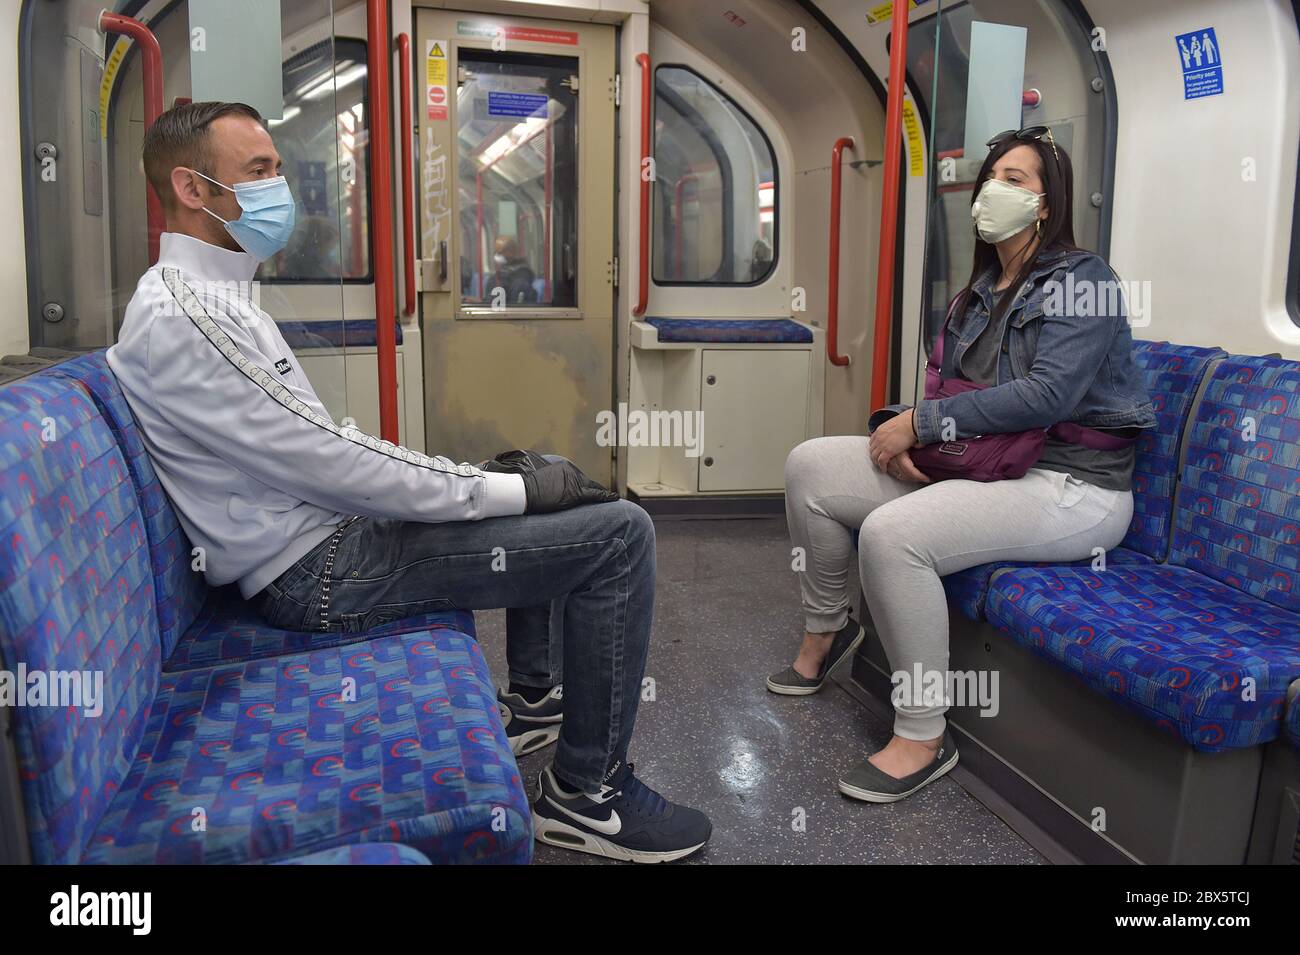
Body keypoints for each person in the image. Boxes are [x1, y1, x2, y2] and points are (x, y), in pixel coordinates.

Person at [107, 101, 711, 863]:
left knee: (511, 469)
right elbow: (329, 459)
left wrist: (495, 482)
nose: (278, 188)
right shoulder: (186, 315)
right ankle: (587, 795)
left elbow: (317, 452)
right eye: (257, 172)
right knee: (619, 536)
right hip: (314, 574)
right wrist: (511, 494)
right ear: (192, 190)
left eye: (276, 169)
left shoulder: (221, 294)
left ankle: (532, 700)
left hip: (324, 536)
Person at [768, 126, 1154, 803]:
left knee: (894, 535)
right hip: (992, 466)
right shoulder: (979, 289)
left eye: (1016, 179)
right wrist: (921, 443)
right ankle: (828, 627)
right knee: (812, 468)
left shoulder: (1083, 280)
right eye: (991, 176)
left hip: (1070, 488)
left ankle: (923, 732)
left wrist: (919, 425)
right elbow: (953, 391)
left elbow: (1047, 396)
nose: (994, 190)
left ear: (1046, 203)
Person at [488, 234, 539, 305]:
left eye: (500, 253)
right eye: (495, 253)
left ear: (511, 252)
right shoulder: (499, 275)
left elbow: (513, 307)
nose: (496, 256)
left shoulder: (521, 277)